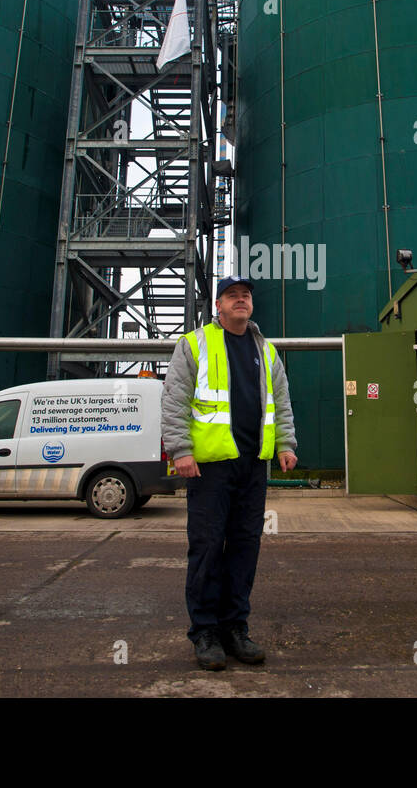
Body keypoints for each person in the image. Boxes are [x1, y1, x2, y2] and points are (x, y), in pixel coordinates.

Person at [161, 276, 297, 670]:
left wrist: (286, 445)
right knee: (206, 547)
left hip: (253, 464)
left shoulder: (266, 351)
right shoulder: (194, 343)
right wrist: (181, 451)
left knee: (244, 547)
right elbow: (175, 399)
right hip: (210, 468)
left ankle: (235, 627)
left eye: (246, 295)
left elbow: (281, 403)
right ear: (218, 305)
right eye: (232, 296)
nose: (241, 300)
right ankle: (204, 632)